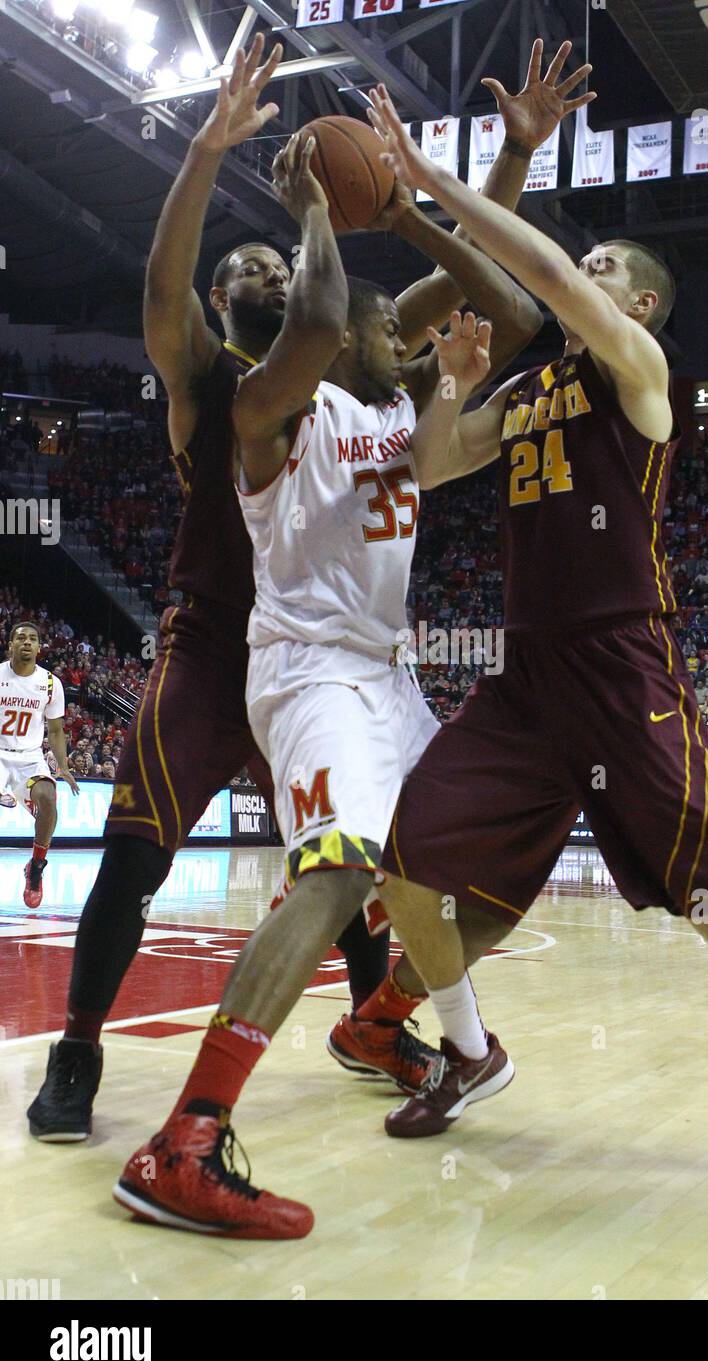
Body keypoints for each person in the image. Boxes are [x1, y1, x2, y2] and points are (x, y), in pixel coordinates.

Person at [27, 33, 582, 1145]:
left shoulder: (348, 372)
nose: (260, 270)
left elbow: (449, 284)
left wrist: (506, 166)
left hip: (334, 652)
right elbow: (160, 281)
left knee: (366, 863)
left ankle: (372, 1024)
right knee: (138, 853)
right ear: (226, 305)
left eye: (272, 263)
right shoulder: (215, 385)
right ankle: (80, 1046)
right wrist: (203, 154)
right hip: (217, 649)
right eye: (242, 271)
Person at [345, 86, 708, 1208]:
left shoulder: (642, 371)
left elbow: (545, 279)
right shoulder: (533, 386)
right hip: (525, 679)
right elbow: (436, 466)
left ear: (638, 299)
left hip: (623, 667)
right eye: (581, 258)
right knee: (411, 870)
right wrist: (450, 379)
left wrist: (435, 183)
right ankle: (469, 1049)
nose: (579, 269)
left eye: (601, 263)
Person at [112, 113, 542, 1236]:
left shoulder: (400, 402)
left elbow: (485, 293)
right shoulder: (266, 409)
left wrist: (504, 162)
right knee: (338, 874)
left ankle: (386, 1019)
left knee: (481, 857)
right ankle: (184, 1142)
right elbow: (318, 315)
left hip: (388, 679)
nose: (408, 332)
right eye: (387, 325)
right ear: (355, 330)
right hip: (305, 675)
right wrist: (312, 200)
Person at [0, 620, 78, 907]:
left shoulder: (49, 683)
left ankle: (36, 867)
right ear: (10, 645)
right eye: (20, 637)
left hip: (30, 758)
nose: (27, 642)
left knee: (48, 798)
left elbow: (55, 731)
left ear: (39, 647)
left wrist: (65, 767)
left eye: (33, 638)